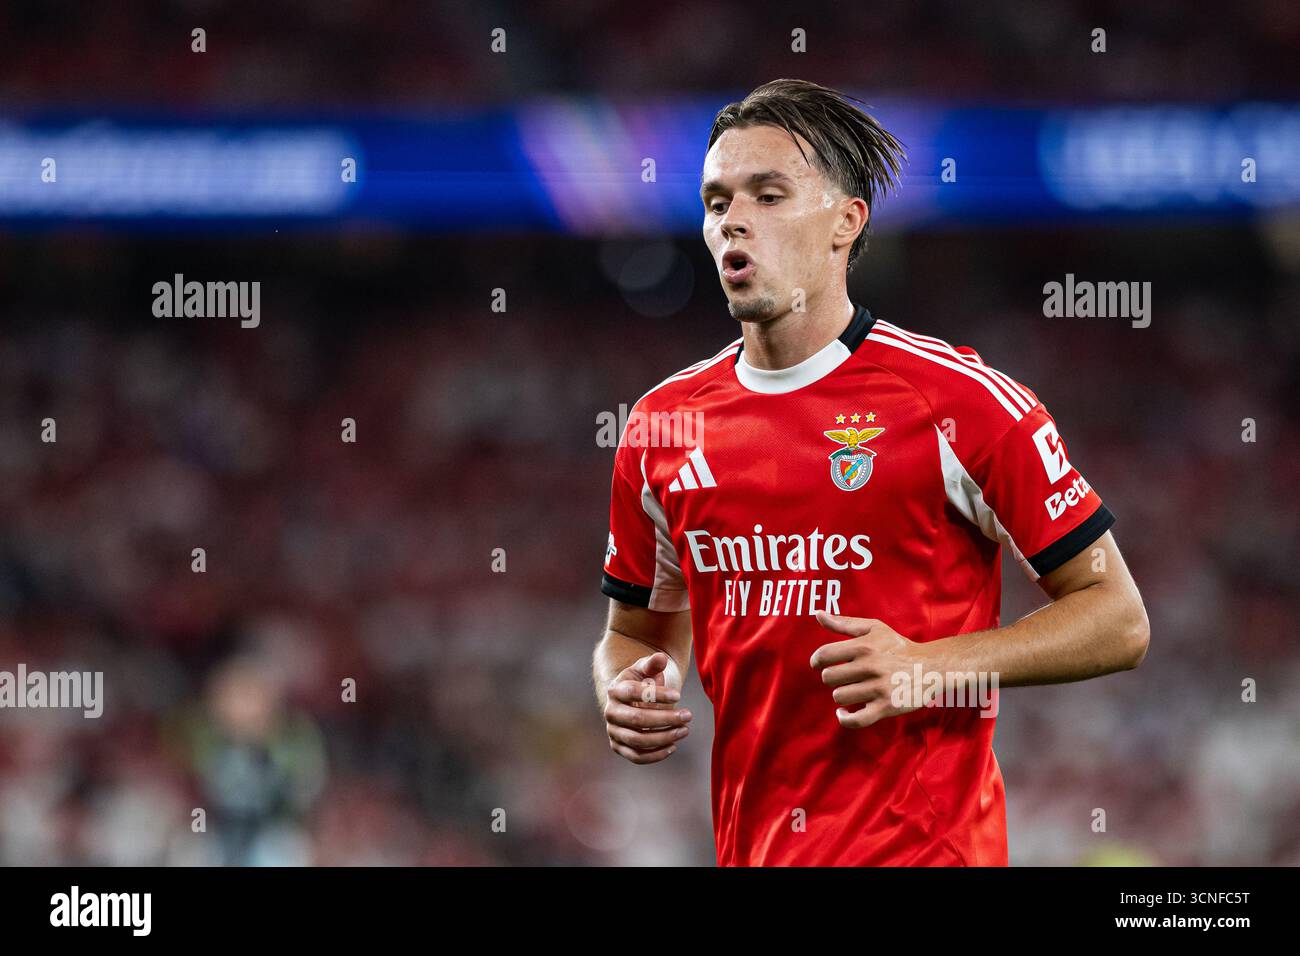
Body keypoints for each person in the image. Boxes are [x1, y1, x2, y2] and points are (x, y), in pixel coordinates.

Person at [592, 78, 1149, 866]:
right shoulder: (661, 425)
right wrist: (628, 688)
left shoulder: (962, 403)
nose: (732, 221)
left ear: (846, 223)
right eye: (716, 202)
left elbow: (1118, 619)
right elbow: (635, 632)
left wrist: (932, 667)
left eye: (769, 194)